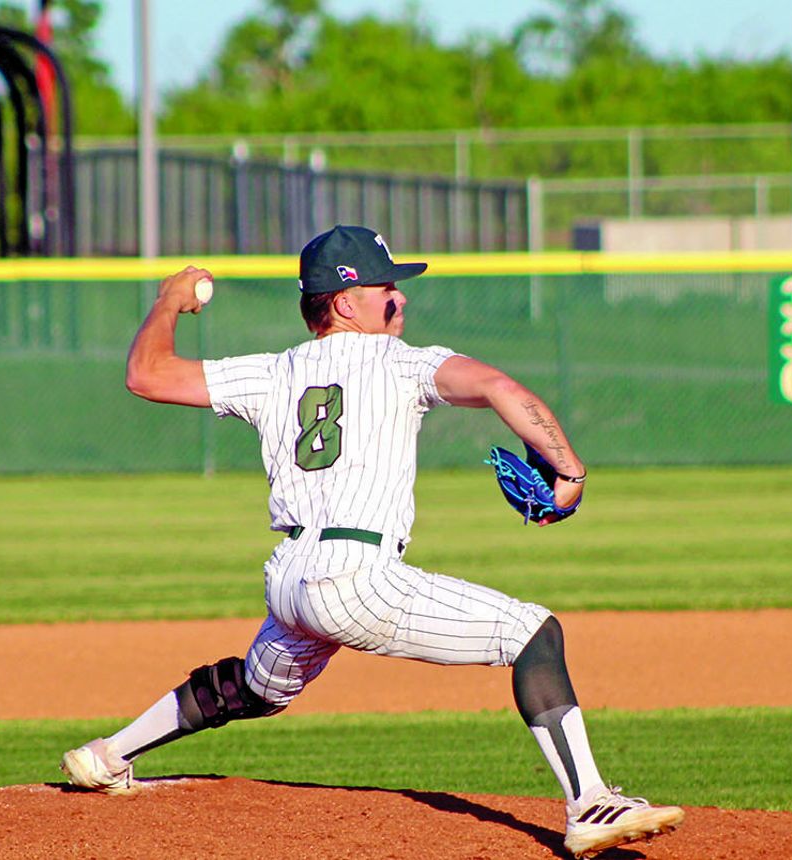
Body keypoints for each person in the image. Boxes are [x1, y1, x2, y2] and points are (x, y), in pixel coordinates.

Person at [60, 225, 683, 858]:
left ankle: (107, 756)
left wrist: (169, 300)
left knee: (256, 687)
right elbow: (503, 389)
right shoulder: (403, 363)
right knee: (533, 634)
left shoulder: (272, 372)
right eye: (387, 288)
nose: (400, 298)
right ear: (344, 302)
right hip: (357, 577)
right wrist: (570, 473)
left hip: (290, 579)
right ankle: (590, 803)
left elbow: (146, 374)